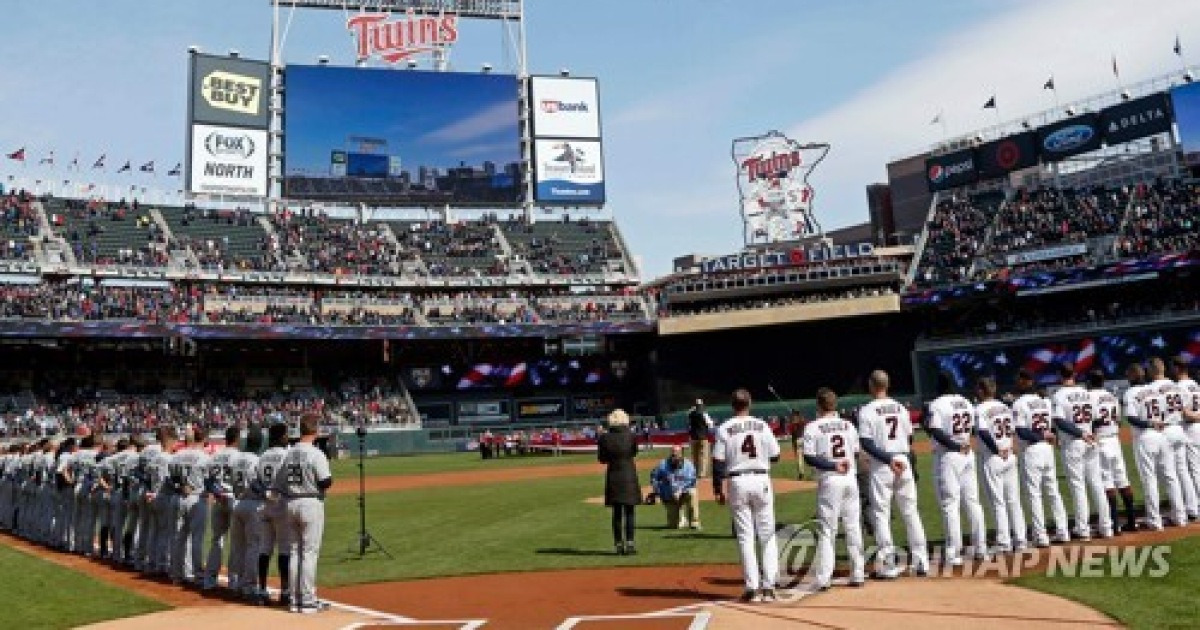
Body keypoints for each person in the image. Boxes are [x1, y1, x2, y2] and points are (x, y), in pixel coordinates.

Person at [857, 370, 928, 578]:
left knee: (881, 514)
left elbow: (866, 443)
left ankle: (888, 565)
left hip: (883, 465)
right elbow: (909, 437)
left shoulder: (867, 410)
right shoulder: (901, 408)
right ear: (887, 385)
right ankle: (921, 561)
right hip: (903, 460)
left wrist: (888, 460)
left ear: (871, 385)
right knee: (910, 512)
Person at [713, 388, 780, 602]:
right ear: (749, 403)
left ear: (732, 405)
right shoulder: (762, 425)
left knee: (745, 536)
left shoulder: (724, 428)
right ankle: (769, 585)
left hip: (737, 480)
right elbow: (776, 455)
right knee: (767, 534)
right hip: (760, 478)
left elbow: (718, 462)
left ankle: (752, 586)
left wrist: (717, 489)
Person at [271, 413, 333, 614]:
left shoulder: (288, 453)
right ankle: (307, 599)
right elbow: (325, 481)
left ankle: (294, 599)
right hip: (310, 502)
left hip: (291, 503)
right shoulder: (316, 453)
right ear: (315, 430)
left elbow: (278, 483)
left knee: (294, 552)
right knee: (308, 553)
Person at [804, 388, 864, 590]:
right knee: (853, 526)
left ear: (818, 405)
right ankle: (858, 573)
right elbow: (856, 452)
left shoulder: (813, 427)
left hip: (830, 479)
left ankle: (824, 578)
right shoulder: (848, 425)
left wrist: (831, 465)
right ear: (835, 404)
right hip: (850, 478)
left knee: (827, 530)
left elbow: (809, 457)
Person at [925, 372, 987, 565]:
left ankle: (954, 552)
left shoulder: (937, 404)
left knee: (950, 504)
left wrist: (954, 446)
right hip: (967, 453)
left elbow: (936, 431)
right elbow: (973, 429)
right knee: (973, 502)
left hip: (949, 455)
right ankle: (981, 547)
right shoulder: (966, 402)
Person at [1051, 362, 1112, 539]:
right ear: (1074, 375)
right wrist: (1091, 433)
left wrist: (1081, 433)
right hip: (1090, 441)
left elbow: (1060, 421)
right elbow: (1098, 419)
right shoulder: (1086, 393)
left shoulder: (1059, 395)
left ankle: (1083, 529)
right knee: (1097, 484)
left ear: (1059, 375)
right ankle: (1106, 527)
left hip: (1074, 443)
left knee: (1078, 486)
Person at [1011, 370, 1070, 546]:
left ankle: (1041, 535)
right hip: (1047, 450)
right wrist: (1048, 436)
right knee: (1053, 491)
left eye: (1019, 380)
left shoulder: (1019, 403)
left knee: (1034, 494)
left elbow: (1021, 431)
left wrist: (1041, 436)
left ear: (1023, 382)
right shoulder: (1044, 402)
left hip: (1032, 450)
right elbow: (1050, 427)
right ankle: (1063, 531)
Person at [1127, 362, 1187, 529]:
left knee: (1150, 479)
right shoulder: (1154, 390)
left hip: (1146, 436)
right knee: (1171, 476)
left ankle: (1155, 520)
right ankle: (1180, 517)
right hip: (1161, 435)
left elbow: (1131, 418)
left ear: (1131, 376)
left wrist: (1149, 423)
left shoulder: (1131, 392)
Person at [974, 377, 1026, 552]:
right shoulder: (1005, 407)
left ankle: (1004, 542)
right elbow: (1012, 431)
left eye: (978, 388)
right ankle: (1020, 539)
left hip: (993, 457)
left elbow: (983, 433)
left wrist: (996, 450)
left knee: (998, 502)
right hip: (1009, 454)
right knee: (1013, 500)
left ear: (982, 390)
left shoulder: (980, 409)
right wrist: (1010, 446)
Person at [1088, 370, 1137, 534]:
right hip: (1115, 440)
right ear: (1103, 381)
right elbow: (1119, 421)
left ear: (1090, 381)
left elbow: (1092, 421)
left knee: (1107, 482)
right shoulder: (1112, 397)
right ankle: (1132, 522)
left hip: (1101, 440)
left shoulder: (1089, 397)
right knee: (1122, 479)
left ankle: (1114, 525)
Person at [254, 422, 292, 606]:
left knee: (264, 549)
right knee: (284, 550)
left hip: (264, 505)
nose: (288, 437)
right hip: (281, 504)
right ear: (281, 436)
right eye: (286, 434)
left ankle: (262, 590)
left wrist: (265, 492)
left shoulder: (262, 456)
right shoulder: (286, 455)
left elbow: (256, 482)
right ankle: (285, 591)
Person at [169, 425, 211, 586]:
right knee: (196, 538)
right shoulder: (204, 457)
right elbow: (210, 481)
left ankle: (176, 574)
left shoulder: (177, 455)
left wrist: (180, 486)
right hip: (196, 497)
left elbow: (171, 478)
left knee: (178, 538)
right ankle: (197, 575)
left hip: (178, 497)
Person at [203, 425, 242, 590]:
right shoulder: (239, 456)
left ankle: (209, 579)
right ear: (237, 439)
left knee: (217, 539)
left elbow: (207, 481)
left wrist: (217, 493)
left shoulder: (215, 456)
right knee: (236, 541)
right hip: (233, 498)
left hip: (218, 499)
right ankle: (234, 580)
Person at [597, 409, 640, 555]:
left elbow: (602, 459)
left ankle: (618, 544)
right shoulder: (631, 436)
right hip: (629, 474)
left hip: (614, 475)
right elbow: (634, 452)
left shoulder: (604, 438)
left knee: (617, 513)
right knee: (630, 512)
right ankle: (630, 543)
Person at [229, 425, 264, 600]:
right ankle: (249, 586)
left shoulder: (236, 459)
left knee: (238, 546)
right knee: (253, 546)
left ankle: (236, 582)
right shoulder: (258, 460)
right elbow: (260, 485)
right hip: (253, 504)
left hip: (238, 503)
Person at [648, 446, 700, 530]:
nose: (674, 456)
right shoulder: (663, 465)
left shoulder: (688, 465)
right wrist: (657, 493)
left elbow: (693, 481)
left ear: (681, 454)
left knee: (693, 492)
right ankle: (682, 519)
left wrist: (681, 490)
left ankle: (694, 522)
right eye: (673, 454)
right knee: (673, 526)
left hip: (684, 494)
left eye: (677, 454)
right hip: (669, 496)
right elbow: (654, 477)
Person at [1178, 358, 1200, 516]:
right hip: (1198, 426)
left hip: (1190, 429)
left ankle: (1197, 504)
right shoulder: (1195, 384)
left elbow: (1185, 413)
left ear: (1178, 368)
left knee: (1194, 470)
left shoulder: (1180, 386)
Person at [687, 399, 713, 478]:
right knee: (703, 456)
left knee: (695, 456)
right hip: (703, 437)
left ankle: (695, 471)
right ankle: (702, 473)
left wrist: (692, 409)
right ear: (702, 405)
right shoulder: (704, 414)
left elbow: (689, 424)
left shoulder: (691, 414)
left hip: (693, 437)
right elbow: (710, 425)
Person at [787, 411, 806, 480]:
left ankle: (801, 473)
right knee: (804, 457)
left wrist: (794, 418)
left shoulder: (796, 423)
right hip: (801, 440)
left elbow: (791, 428)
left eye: (793, 416)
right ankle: (802, 473)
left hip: (798, 441)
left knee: (799, 458)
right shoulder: (801, 422)